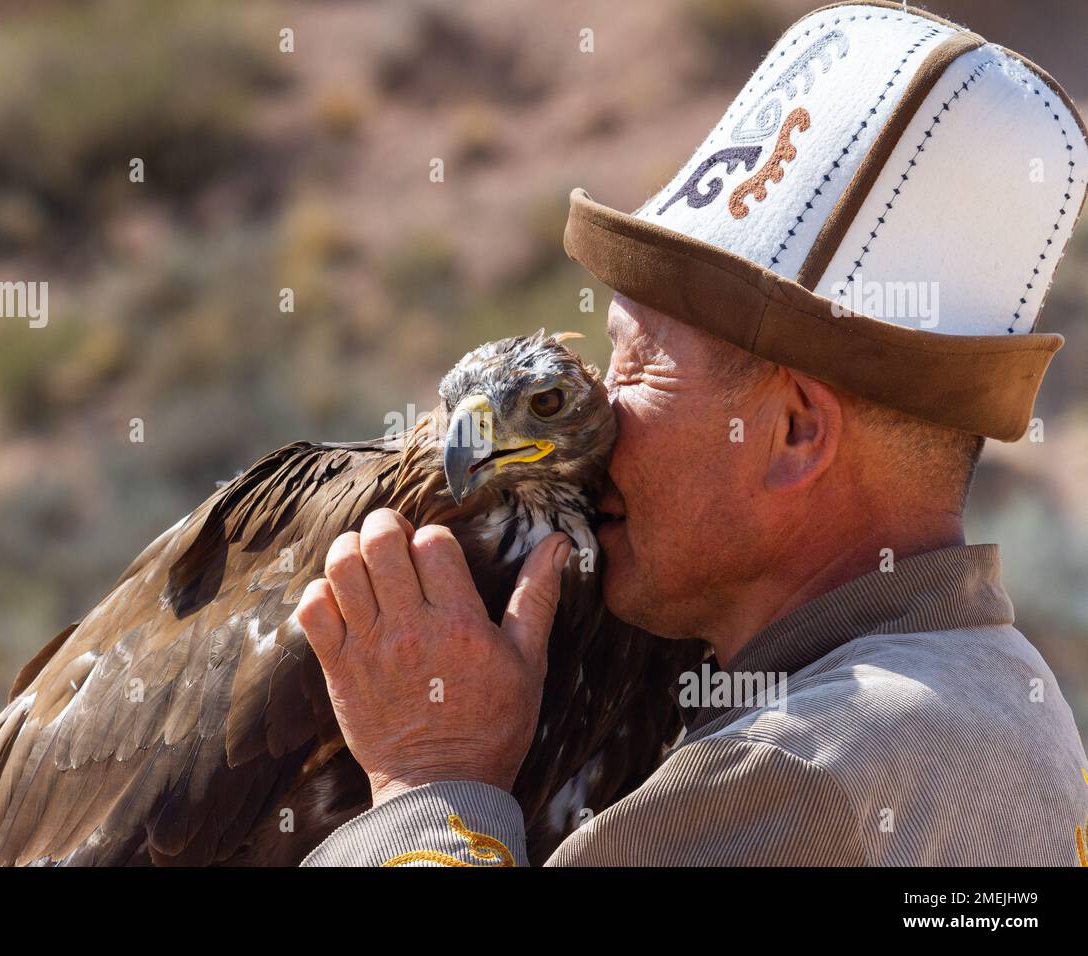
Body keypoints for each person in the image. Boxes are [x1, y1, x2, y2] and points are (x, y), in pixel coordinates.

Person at [295, 1, 1088, 866]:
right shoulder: (1009, 698)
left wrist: (430, 779)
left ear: (792, 433)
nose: (610, 410)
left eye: (634, 366)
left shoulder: (794, 774)